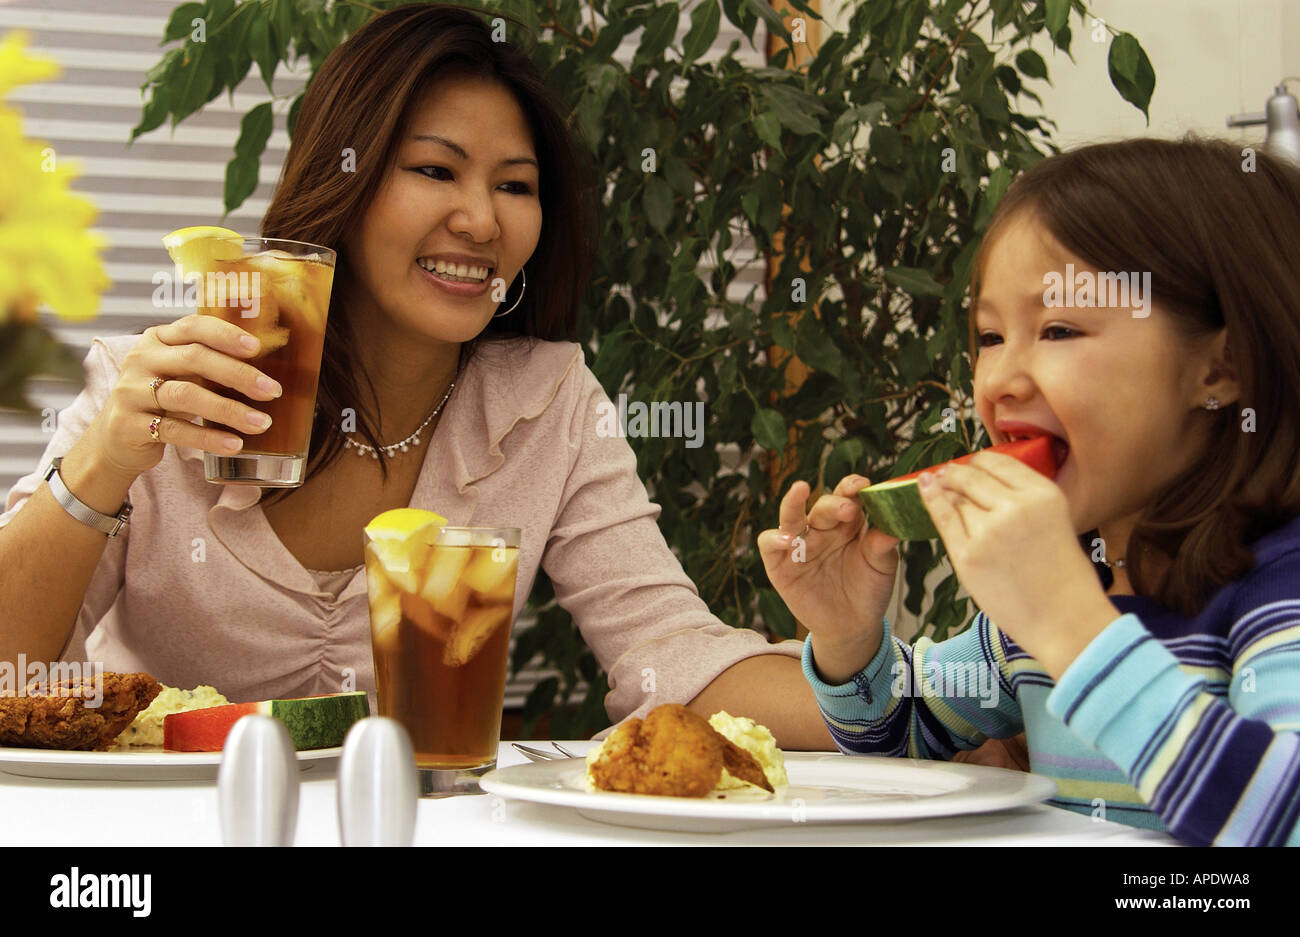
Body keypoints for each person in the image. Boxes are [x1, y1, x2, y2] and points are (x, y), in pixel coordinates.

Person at [0, 4, 831, 747]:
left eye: (515, 185)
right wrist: (103, 468)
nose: (480, 219)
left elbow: (674, 655)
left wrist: (901, 696)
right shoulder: (168, 386)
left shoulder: (547, 406)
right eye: (435, 170)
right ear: (345, 180)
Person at [760, 136, 1300, 845]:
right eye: (989, 335)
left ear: (1220, 369)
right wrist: (848, 635)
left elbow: (1282, 815)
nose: (1000, 380)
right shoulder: (1057, 589)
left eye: (1059, 327)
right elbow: (898, 734)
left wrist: (1068, 620)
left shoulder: (1276, 586)